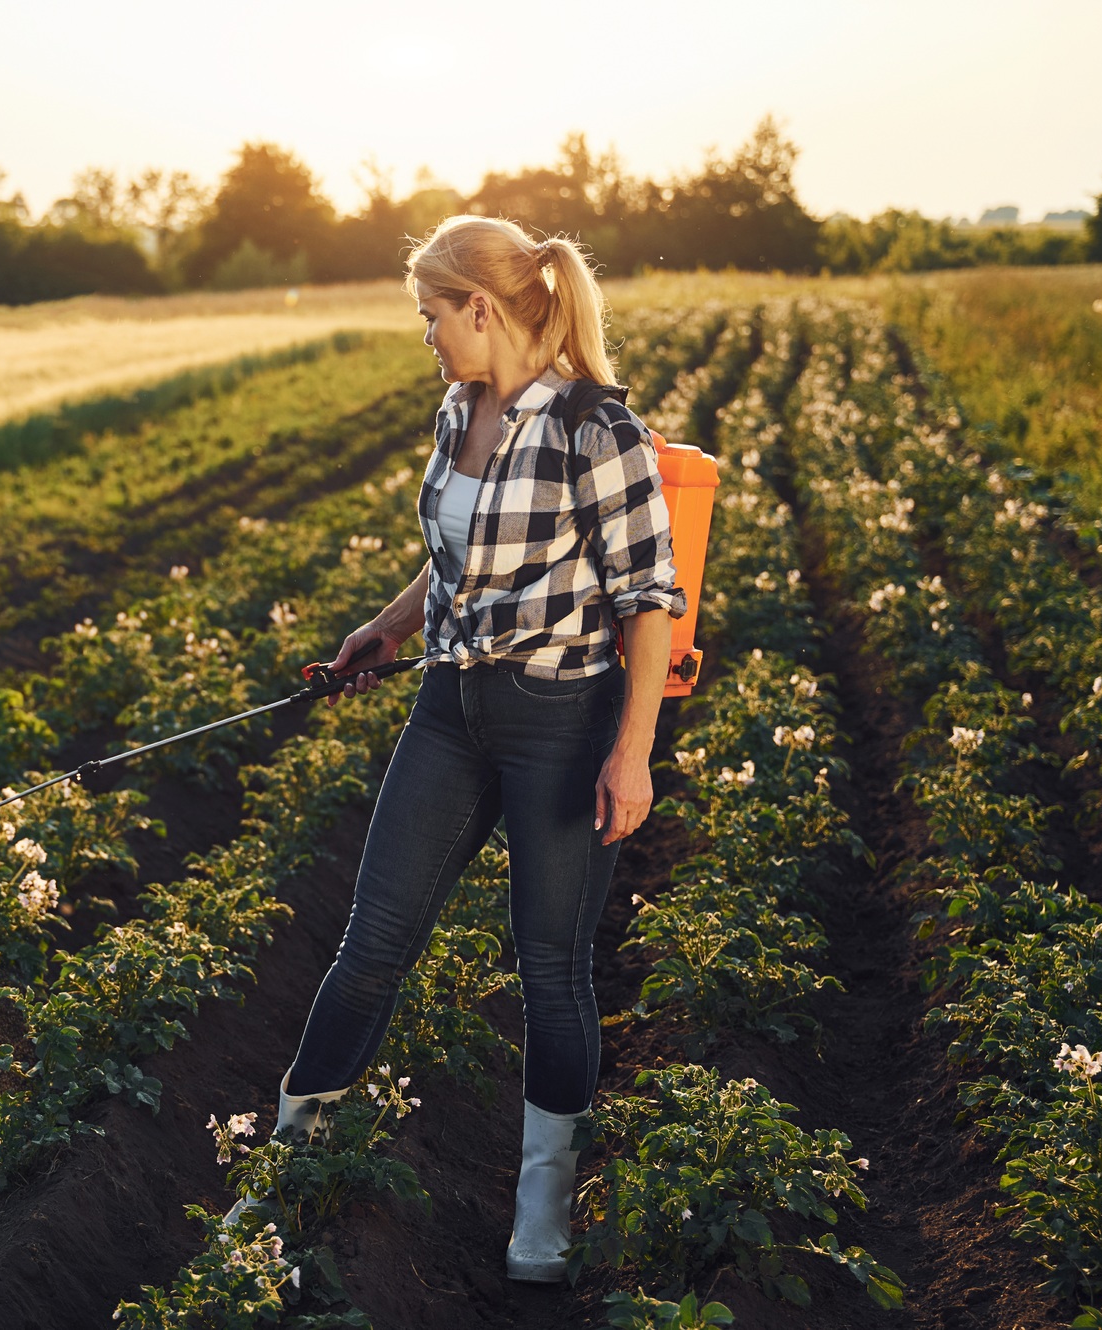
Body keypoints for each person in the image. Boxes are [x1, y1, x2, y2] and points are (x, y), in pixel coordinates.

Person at [231, 215, 685, 1285]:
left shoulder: (594, 429)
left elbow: (648, 602)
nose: (425, 336)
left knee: (550, 967)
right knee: (371, 940)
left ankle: (541, 1218)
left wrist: (631, 753)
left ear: (478, 307)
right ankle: (287, 1173)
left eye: (431, 316)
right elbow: (455, 561)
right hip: (449, 707)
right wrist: (384, 626)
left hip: (559, 720)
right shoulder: (453, 412)